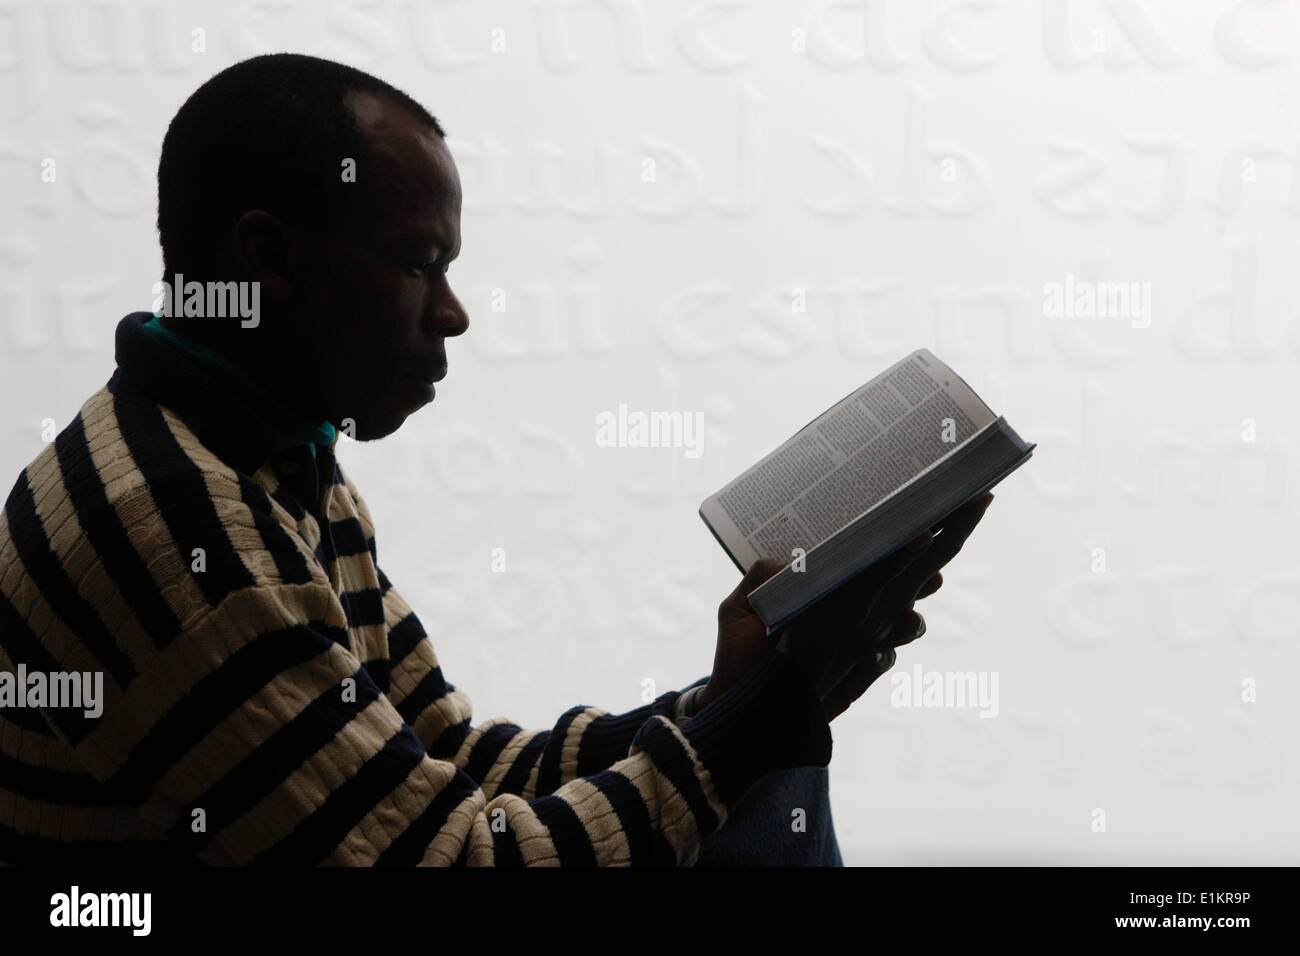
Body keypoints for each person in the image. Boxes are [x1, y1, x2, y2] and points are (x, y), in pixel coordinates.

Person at [0, 53, 992, 866]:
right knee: (757, 777)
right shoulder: (168, 515)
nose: (454, 312)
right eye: (419, 262)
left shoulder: (276, 455)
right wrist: (759, 715)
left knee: (762, 761)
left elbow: (448, 760)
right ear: (271, 263)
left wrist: (728, 698)